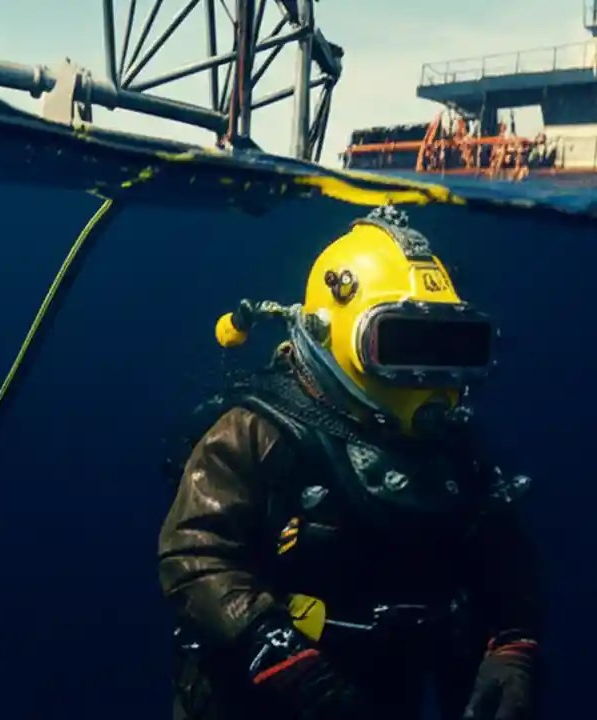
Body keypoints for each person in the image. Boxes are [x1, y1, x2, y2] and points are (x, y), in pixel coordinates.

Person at [157, 205, 543, 720]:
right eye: (404, 344)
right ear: (332, 335)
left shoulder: (450, 450)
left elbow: (501, 555)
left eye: (454, 348)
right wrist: (275, 650)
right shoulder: (257, 431)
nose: (429, 378)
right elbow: (194, 552)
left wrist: (512, 644)